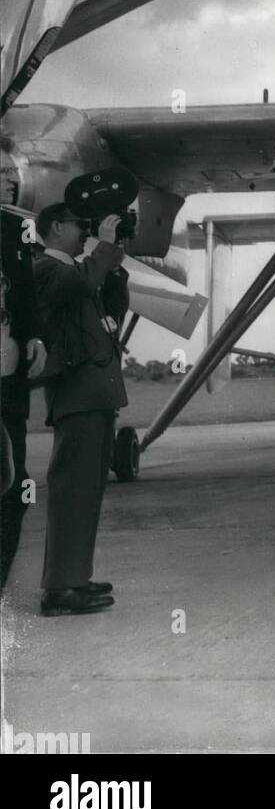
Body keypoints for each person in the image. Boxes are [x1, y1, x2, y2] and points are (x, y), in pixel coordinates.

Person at [33, 204, 128, 616]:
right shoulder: (46, 270)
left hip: (93, 394)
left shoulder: (77, 271)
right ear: (55, 228)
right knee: (73, 492)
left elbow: (112, 307)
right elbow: (80, 282)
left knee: (86, 492)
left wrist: (116, 258)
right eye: (77, 225)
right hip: (77, 395)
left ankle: (74, 579)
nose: (83, 233)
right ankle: (59, 589)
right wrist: (103, 249)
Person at [1, 143, 47, 590]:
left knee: (14, 488)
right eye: (1, 172)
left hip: (6, 382)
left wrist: (34, 336)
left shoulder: (17, 229)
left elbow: (26, 297)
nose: (12, 180)